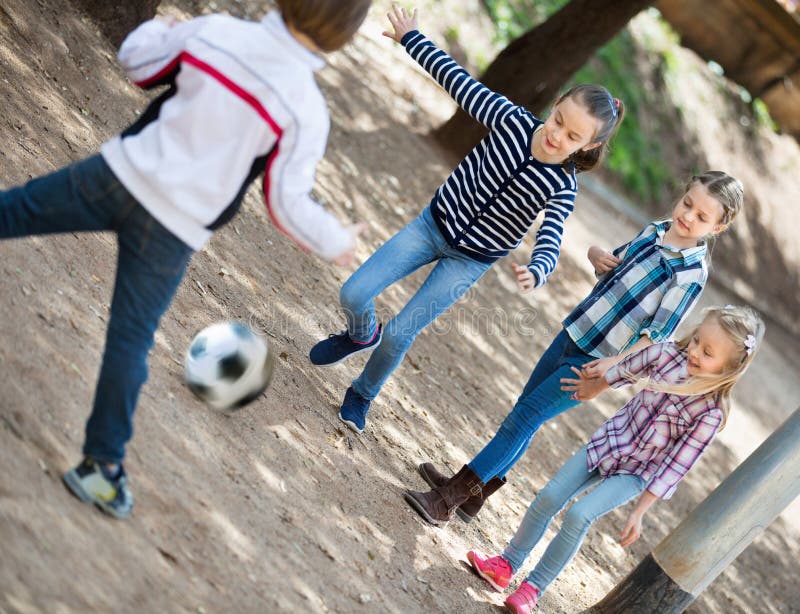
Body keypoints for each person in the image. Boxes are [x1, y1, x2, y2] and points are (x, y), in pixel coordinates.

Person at [0, 0, 371, 519]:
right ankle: (100, 469)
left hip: (120, 174)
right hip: (173, 230)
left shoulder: (217, 32)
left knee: (15, 210)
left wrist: (158, 27)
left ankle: (104, 466)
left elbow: (138, 65)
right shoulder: (306, 111)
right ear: (346, 32)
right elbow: (286, 204)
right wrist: (336, 240)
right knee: (129, 342)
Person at [309, 3, 625, 434]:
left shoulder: (563, 185)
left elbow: (551, 234)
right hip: (431, 226)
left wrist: (539, 268)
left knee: (401, 333)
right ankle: (361, 334)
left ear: (586, 148)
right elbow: (460, 85)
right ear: (553, 107)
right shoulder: (511, 120)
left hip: (470, 261)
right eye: (558, 121)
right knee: (354, 292)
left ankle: (362, 393)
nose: (556, 135)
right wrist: (411, 39)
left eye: (572, 136)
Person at [405, 171, 744, 525]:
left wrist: (610, 374)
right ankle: (475, 496)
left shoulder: (690, 274)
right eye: (687, 203)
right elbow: (614, 267)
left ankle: (448, 500)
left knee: (523, 419)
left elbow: (655, 337)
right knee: (524, 414)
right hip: (577, 330)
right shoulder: (655, 230)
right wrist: (597, 255)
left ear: (717, 228)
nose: (688, 216)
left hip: (598, 362)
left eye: (702, 217)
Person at [466, 305, 764, 613]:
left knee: (579, 515)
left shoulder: (711, 413)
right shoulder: (665, 355)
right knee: (549, 497)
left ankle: (533, 589)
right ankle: (506, 564)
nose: (695, 352)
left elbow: (675, 467)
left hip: (636, 474)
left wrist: (640, 512)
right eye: (697, 341)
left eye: (708, 352)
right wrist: (594, 386)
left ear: (727, 369)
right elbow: (624, 370)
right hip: (610, 441)